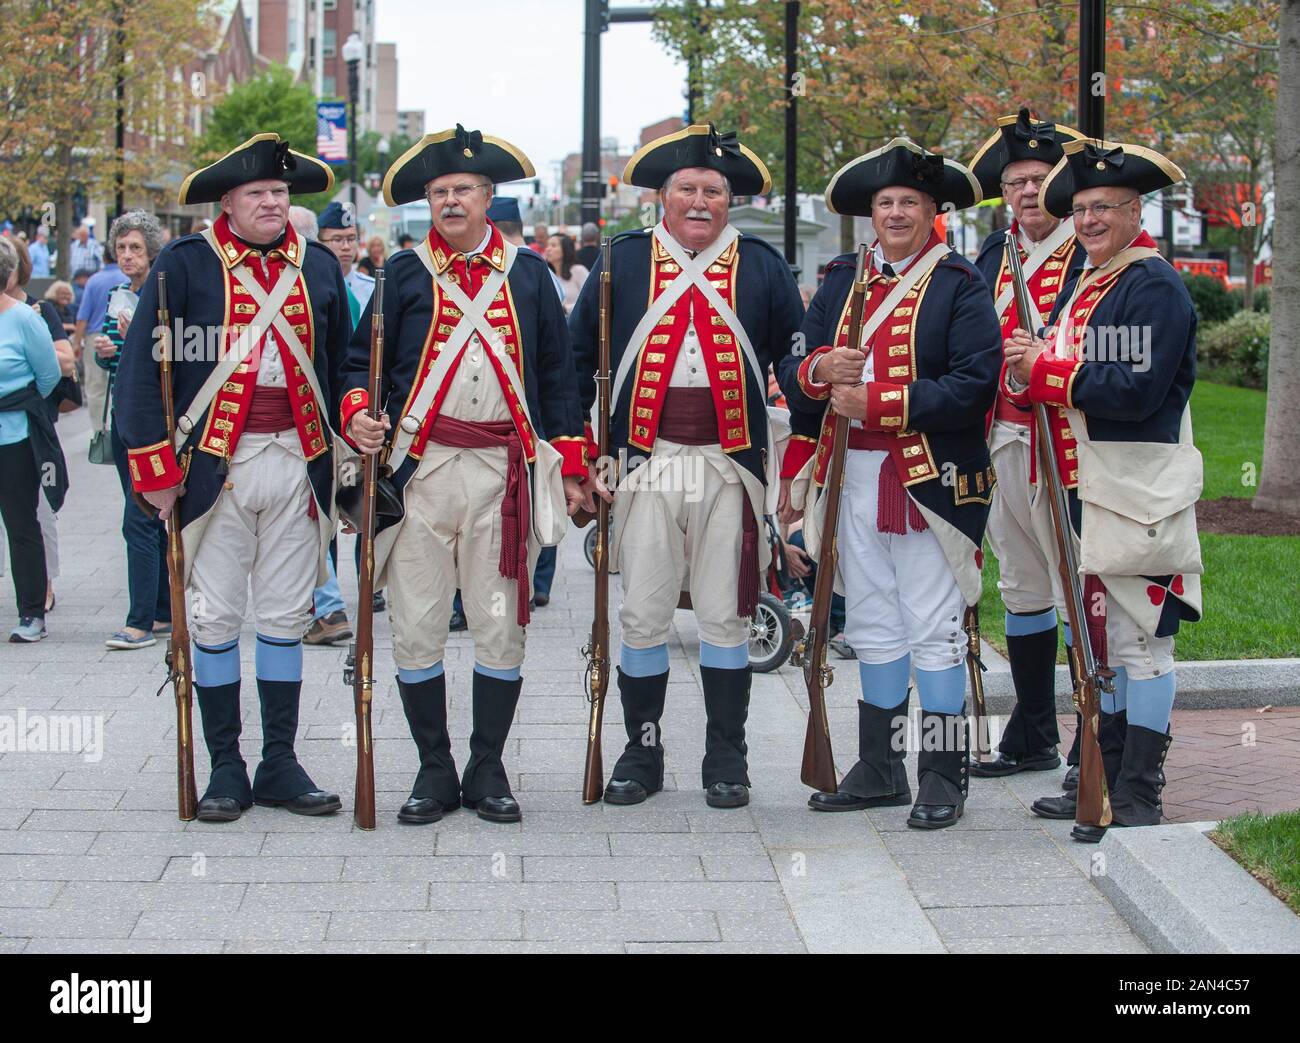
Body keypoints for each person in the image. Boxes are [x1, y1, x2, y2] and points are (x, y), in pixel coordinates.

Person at [342, 125, 588, 825]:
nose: (452, 201)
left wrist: (571, 466)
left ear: (488, 198)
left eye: (464, 190)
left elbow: (555, 373)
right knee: (416, 624)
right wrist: (359, 410)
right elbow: (362, 365)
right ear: (428, 200)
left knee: (498, 626)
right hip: (420, 471)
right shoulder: (403, 275)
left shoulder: (530, 273)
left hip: (504, 472)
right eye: (440, 191)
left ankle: (487, 766)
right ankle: (432, 767)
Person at [114, 133, 350, 823]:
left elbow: (339, 366)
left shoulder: (319, 269)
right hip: (213, 466)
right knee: (214, 617)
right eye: (259, 194)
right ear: (228, 202)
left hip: (298, 459)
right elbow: (138, 377)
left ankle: (279, 761)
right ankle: (226, 763)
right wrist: (154, 472)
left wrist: (354, 444)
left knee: (284, 615)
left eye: (281, 193)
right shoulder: (185, 266)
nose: (274, 203)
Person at [570, 123, 804, 810]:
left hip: (730, 466)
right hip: (648, 462)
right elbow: (578, 356)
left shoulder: (761, 265)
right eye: (688, 190)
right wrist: (580, 453)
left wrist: (815, 394)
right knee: (642, 612)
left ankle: (726, 755)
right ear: (662, 200)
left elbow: (793, 357)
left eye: (714, 190)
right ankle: (642, 751)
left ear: (730, 202)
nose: (700, 201)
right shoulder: (622, 262)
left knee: (725, 614)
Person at [779, 137, 1001, 829]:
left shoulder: (961, 284)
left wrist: (877, 403)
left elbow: (973, 385)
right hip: (853, 472)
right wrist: (820, 371)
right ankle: (879, 767)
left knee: (935, 627)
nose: (897, 212)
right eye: (885, 203)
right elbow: (797, 368)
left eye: (910, 201)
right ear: (870, 213)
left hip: (931, 477)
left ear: (933, 211)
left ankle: (943, 774)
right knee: (872, 620)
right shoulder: (844, 276)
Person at [1004, 138, 1201, 842]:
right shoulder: (1085, 282)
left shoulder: (1151, 285)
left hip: (1137, 491)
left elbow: (1132, 389)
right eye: (1080, 208)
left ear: (1134, 210)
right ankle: (1102, 771)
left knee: (1143, 642)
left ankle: (1139, 790)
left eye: (1103, 207)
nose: (1087, 219)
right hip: (1081, 488)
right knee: (1098, 644)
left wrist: (1044, 370)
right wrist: (1026, 369)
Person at [966, 108, 1089, 786]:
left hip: (1063, 441)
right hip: (1002, 437)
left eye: (1041, 178)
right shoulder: (994, 252)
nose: (1027, 191)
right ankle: (1035, 728)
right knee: (1022, 583)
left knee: (1076, 584)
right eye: (1015, 181)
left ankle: (1091, 733)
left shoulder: (1088, 247)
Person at [88, 211, 172, 651]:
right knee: (145, 516)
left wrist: (139, 334)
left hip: (151, 419)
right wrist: (106, 350)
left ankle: (139, 620)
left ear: (151, 251)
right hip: (122, 413)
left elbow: (175, 357)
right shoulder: (118, 294)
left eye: (135, 248)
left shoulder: (161, 294)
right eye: (120, 247)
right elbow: (111, 360)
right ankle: (161, 612)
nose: (126, 255)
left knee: (138, 518)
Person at [486, 195, 561, 610]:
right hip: (530, 403)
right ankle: (540, 580)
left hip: (523, 404)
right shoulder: (539, 268)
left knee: (538, 496)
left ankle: (533, 573)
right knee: (541, 496)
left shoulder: (527, 269)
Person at [6, 237, 77, 616]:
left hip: (29, 426)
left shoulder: (36, 311)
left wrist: (27, 394)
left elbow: (60, 366)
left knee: (36, 512)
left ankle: (42, 586)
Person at [298, 201, 357, 647]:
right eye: (336, 240)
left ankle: (326, 603)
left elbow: (346, 364)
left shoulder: (339, 285)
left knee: (319, 515)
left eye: (350, 240)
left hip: (320, 424)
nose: (345, 247)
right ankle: (325, 603)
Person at [75, 247, 124, 442]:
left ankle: (98, 432)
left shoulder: (94, 280)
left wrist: (76, 342)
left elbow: (83, 315)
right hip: (123, 335)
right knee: (118, 383)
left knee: (96, 387)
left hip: (97, 336)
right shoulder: (127, 278)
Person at [545, 232, 588, 316]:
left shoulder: (579, 271)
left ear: (565, 249)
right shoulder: (548, 275)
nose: (548, 249)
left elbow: (590, 299)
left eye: (553, 245)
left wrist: (566, 308)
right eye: (548, 245)